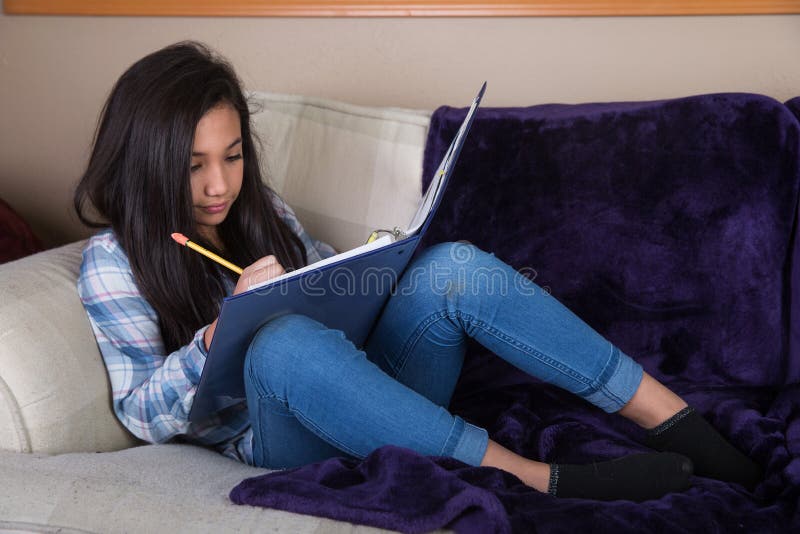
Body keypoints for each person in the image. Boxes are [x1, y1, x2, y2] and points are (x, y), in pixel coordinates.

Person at [74, 41, 761, 502]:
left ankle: (677, 421)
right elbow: (139, 413)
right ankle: (541, 480)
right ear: (150, 159)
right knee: (280, 342)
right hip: (276, 435)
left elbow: (330, 297)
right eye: (195, 165)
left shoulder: (262, 209)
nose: (220, 183)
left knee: (452, 267)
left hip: (365, 387)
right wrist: (214, 338)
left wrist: (376, 266)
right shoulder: (113, 263)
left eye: (232, 155)